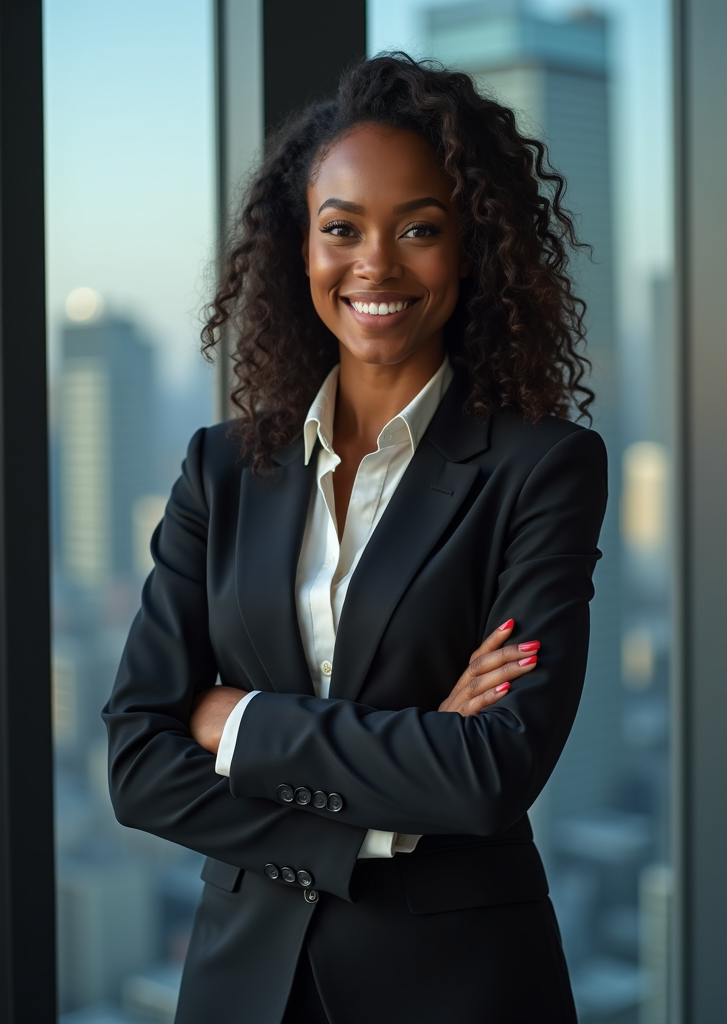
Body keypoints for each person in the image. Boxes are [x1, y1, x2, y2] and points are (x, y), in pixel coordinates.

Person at [103, 53, 607, 1024]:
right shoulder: (222, 469)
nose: (376, 264)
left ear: (470, 250)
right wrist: (383, 801)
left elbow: (490, 772)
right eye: (343, 230)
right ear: (302, 249)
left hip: (459, 984)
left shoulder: (543, 469)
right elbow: (136, 762)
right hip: (241, 985)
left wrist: (236, 718)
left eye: (419, 228)